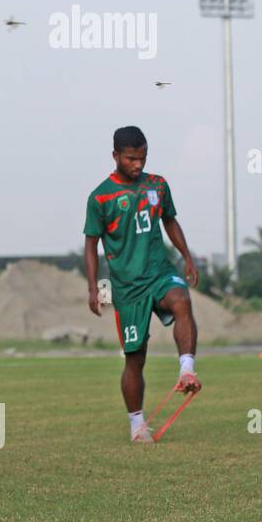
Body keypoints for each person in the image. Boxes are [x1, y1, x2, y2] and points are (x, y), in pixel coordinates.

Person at [83, 125, 201, 442]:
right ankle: (137, 425)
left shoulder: (158, 185)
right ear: (116, 156)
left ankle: (186, 369)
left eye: (143, 158)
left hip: (158, 271)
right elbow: (91, 244)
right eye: (131, 159)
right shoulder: (100, 197)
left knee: (181, 300)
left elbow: (169, 220)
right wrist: (94, 288)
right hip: (128, 287)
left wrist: (186, 256)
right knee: (135, 359)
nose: (138, 165)